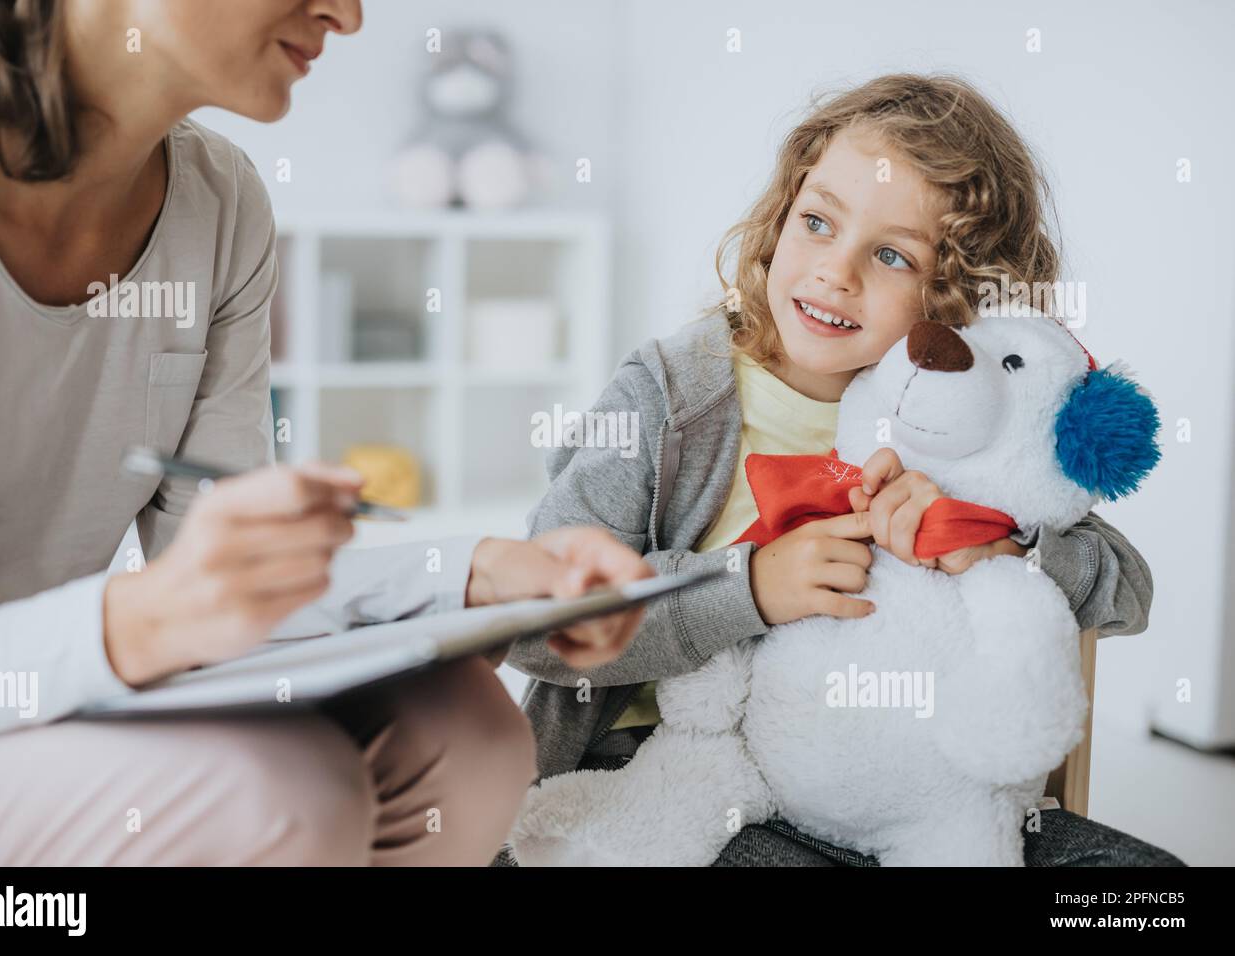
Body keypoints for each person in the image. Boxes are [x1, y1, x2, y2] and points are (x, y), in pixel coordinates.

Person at [0, 0, 651, 865]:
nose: (345, 15)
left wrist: (475, 572)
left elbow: (217, 580)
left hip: (45, 689)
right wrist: (133, 627)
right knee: (280, 794)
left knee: (467, 736)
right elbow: (159, 613)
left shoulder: (222, 202)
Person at [504, 74, 1183, 866]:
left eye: (892, 254)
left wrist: (1009, 555)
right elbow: (538, 621)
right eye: (818, 222)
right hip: (669, 782)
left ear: (957, 297)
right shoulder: (669, 400)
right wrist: (749, 587)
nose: (835, 271)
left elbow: (1127, 590)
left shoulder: (957, 419)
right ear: (780, 216)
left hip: (921, 796)